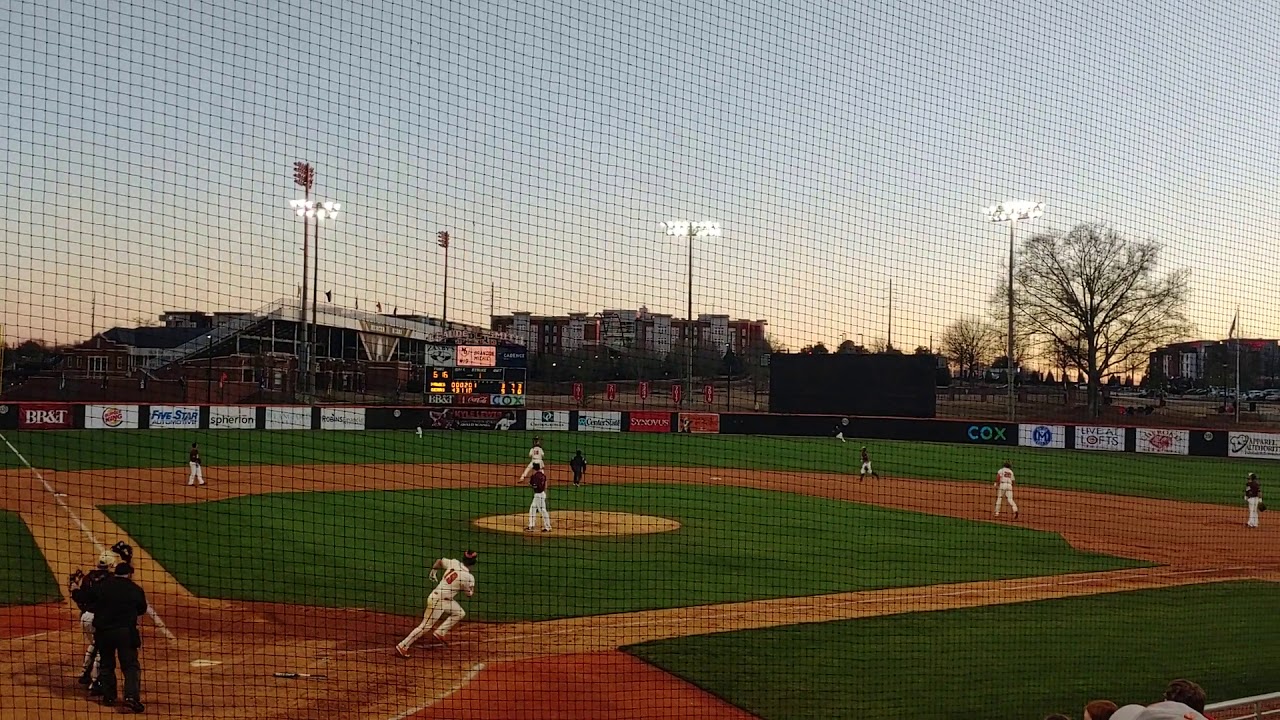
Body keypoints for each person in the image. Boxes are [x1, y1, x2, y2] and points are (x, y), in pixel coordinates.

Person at [83, 562, 148, 713]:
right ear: (129, 574)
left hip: (104, 632)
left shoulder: (102, 585)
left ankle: (109, 697)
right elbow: (142, 609)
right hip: (125, 633)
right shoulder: (135, 589)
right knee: (130, 666)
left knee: (106, 664)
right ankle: (131, 698)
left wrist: (74, 588)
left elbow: (88, 599)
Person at [395, 551, 478, 657]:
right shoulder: (468, 577)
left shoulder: (454, 563)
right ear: (473, 563)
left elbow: (439, 561)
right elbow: (469, 594)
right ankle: (403, 645)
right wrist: (470, 586)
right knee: (425, 626)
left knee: (459, 613)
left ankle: (440, 632)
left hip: (444, 599)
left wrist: (433, 571)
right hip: (438, 601)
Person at [68, 553, 115, 692]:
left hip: (85, 617)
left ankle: (84, 674)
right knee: (104, 649)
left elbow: (80, 599)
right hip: (99, 619)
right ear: (111, 565)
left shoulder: (88, 577)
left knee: (94, 644)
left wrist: (74, 587)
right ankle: (95, 682)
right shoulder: (111, 581)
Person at [526, 464, 552, 532]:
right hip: (542, 493)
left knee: (542, 510)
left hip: (538, 495)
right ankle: (531, 525)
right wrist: (545, 493)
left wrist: (531, 484)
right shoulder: (543, 475)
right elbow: (545, 484)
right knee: (532, 508)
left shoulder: (534, 476)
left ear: (534, 469)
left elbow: (533, 485)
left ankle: (548, 527)